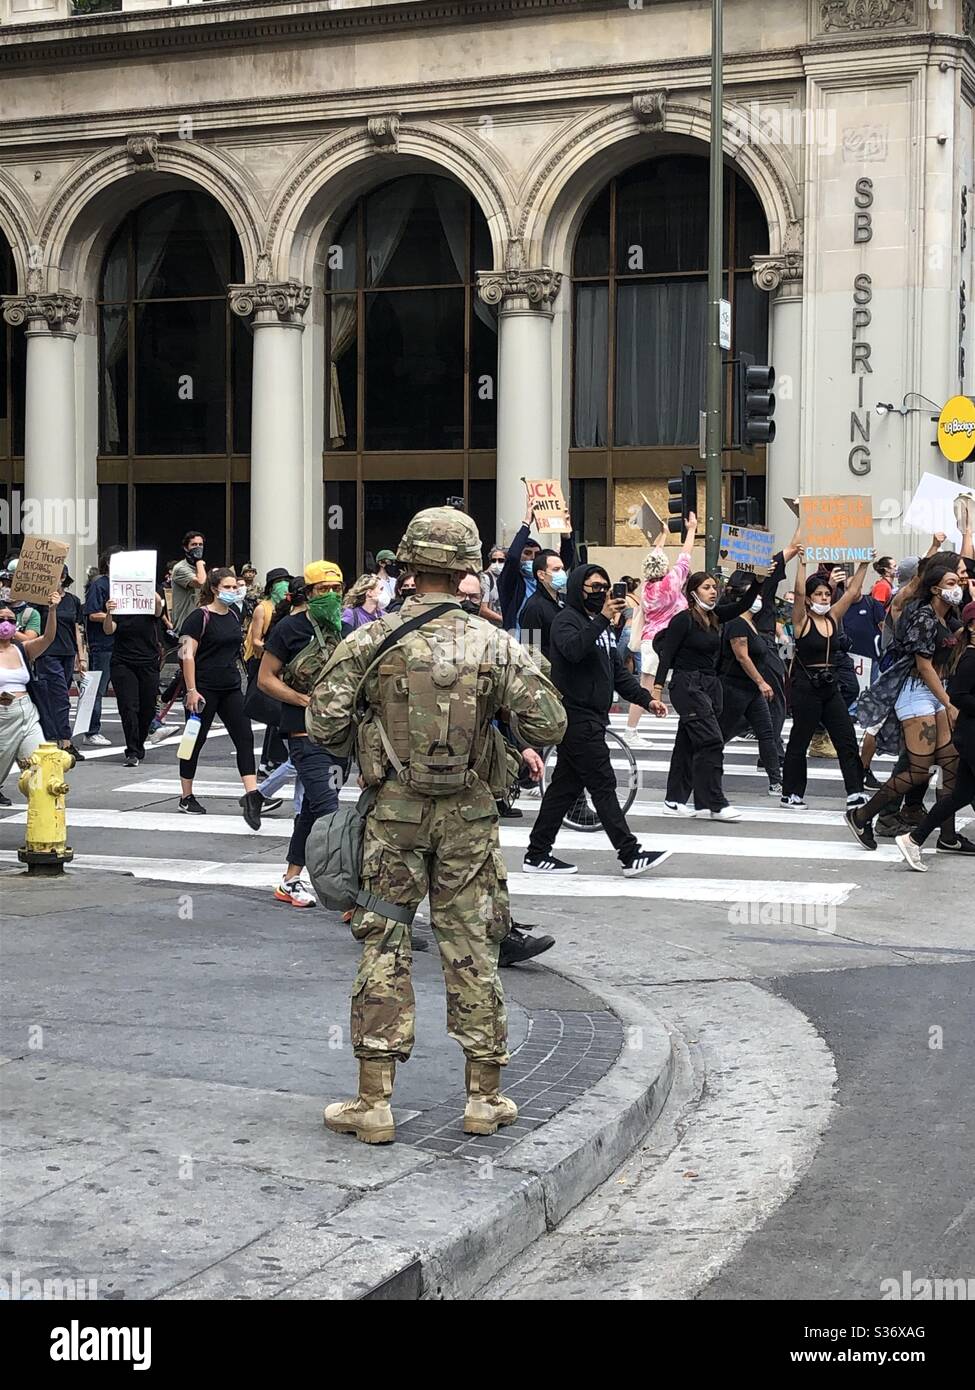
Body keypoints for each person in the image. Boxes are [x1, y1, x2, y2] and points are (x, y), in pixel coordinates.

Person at [308, 507, 566, 1144]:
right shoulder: (493, 643)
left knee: (385, 945)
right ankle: (484, 1098)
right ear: (468, 569)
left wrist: (376, 738)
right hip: (470, 817)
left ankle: (374, 1104)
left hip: (393, 813)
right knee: (472, 946)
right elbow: (548, 725)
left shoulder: (372, 639)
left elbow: (323, 722)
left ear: (407, 564)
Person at [525, 563, 670, 876]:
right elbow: (573, 650)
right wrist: (604, 617)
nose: (602, 593)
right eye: (594, 587)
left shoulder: (601, 626)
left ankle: (537, 853)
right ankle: (629, 854)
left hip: (593, 716)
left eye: (606, 587)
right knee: (603, 783)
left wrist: (647, 700)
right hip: (576, 717)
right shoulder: (566, 620)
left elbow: (618, 673)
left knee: (563, 789)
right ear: (579, 588)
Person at [847, 561, 970, 852]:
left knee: (951, 764)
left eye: (959, 583)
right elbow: (923, 665)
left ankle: (947, 836)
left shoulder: (945, 617)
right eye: (951, 583)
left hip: (934, 693)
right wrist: (949, 704)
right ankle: (861, 816)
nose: (957, 588)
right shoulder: (925, 616)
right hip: (916, 694)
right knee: (918, 770)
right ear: (936, 588)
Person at [258, 561, 349, 906]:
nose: (330, 596)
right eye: (323, 590)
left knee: (312, 807)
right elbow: (265, 679)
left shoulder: (343, 628)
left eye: (336, 589)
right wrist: (303, 700)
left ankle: (291, 879)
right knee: (329, 811)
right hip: (303, 733)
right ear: (308, 593)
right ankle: (347, 896)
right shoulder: (289, 629)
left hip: (340, 732)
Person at [653, 569, 761, 820]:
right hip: (687, 685)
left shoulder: (715, 617)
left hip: (710, 686)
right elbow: (667, 655)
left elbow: (742, 604)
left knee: (687, 743)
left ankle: (673, 801)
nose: (713, 591)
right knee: (711, 740)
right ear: (693, 592)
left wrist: (759, 582)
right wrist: (656, 690)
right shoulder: (683, 620)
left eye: (715, 587)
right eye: (706, 587)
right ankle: (713, 802)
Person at [780, 549, 872, 810]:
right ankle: (791, 793)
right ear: (809, 599)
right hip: (806, 686)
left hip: (830, 686)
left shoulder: (832, 617)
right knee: (800, 739)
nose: (823, 597)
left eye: (826, 594)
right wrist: (802, 563)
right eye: (818, 594)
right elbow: (797, 593)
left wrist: (865, 563)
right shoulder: (801, 621)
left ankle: (854, 791)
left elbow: (853, 593)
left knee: (846, 738)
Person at [894, 600, 975, 869]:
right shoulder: (970, 659)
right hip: (970, 735)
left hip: (969, 735)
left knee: (960, 796)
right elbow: (958, 696)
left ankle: (913, 839)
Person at [177, 567, 259, 814]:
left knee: (245, 737)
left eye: (235, 587)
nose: (233, 591)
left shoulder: (233, 615)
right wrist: (191, 690)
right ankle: (186, 795)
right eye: (228, 587)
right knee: (193, 741)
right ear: (214, 589)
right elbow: (186, 655)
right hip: (203, 689)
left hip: (230, 686)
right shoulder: (198, 617)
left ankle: (252, 795)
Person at [623, 512, 697, 747]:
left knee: (646, 685)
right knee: (674, 686)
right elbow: (685, 554)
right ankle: (630, 731)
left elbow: (656, 558)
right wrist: (692, 528)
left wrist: (662, 536)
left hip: (649, 640)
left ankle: (631, 730)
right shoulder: (673, 581)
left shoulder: (645, 587)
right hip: (669, 642)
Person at [717, 570, 782, 795]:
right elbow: (742, 656)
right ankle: (707, 774)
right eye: (752, 596)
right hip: (734, 688)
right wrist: (761, 682)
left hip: (751, 691)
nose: (758, 600)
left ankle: (776, 781)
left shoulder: (752, 622)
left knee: (767, 732)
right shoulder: (736, 623)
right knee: (720, 736)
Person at [0, 591, 61, 800]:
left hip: (26, 712)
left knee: (40, 763)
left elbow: (49, 638)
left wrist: (52, 610)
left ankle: (42, 808)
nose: (6, 624)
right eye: (1, 619)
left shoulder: (22, 649)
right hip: (2, 715)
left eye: (10, 620)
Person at [497, 494, 576, 633]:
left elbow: (561, 562)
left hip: (543, 646)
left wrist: (565, 534)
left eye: (536, 555)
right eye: (527, 553)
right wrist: (527, 523)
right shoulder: (512, 583)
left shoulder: (546, 586)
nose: (532, 558)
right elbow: (513, 558)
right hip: (519, 643)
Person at [102, 591, 165, 767]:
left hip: (148, 661)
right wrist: (109, 613)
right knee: (128, 706)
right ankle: (132, 750)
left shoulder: (150, 603)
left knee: (148, 707)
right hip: (123, 662)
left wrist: (148, 588)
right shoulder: (119, 603)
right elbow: (108, 630)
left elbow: (158, 609)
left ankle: (139, 743)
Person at [32, 568, 86, 762]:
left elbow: (77, 630)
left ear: (63, 578)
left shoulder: (73, 600)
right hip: (47, 653)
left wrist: (81, 657)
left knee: (58, 697)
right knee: (60, 697)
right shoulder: (40, 601)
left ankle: (56, 738)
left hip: (67, 653)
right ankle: (65, 741)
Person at [244, 567, 291, 773]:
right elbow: (255, 640)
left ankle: (270, 759)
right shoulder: (262, 608)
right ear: (272, 587)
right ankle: (270, 760)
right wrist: (274, 650)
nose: (284, 586)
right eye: (280, 582)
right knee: (272, 709)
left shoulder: (285, 608)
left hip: (278, 661)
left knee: (277, 713)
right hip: (260, 661)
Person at [81, 545, 124, 747]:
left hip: (122, 642)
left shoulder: (124, 584)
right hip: (103, 644)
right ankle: (91, 731)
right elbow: (92, 613)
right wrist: (112, 615)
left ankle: (150, 725)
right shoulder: (100, 584)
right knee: (98, 688)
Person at [517, 548, 568, 661]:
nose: (562, 573)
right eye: (556, 569)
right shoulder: (534, 607)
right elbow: (529, 649)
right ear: (541, 574)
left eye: (562, 569)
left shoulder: (564, 601)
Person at [170, 530, 207, 633]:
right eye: (194, 545)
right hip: (184, 625)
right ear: (186, 548)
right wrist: (199, 561)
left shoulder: (200, 568)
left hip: (199, 622)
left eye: (200, 545)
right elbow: (201, 583)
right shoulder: (180, 568)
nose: (198, 548)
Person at [479, 546, 506, 625]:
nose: (497, 563)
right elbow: (483, 609)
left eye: (501, 560)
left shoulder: (509, 578)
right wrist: (504, 619)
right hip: (491, 626)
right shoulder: (486, 578)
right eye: (493, 560)